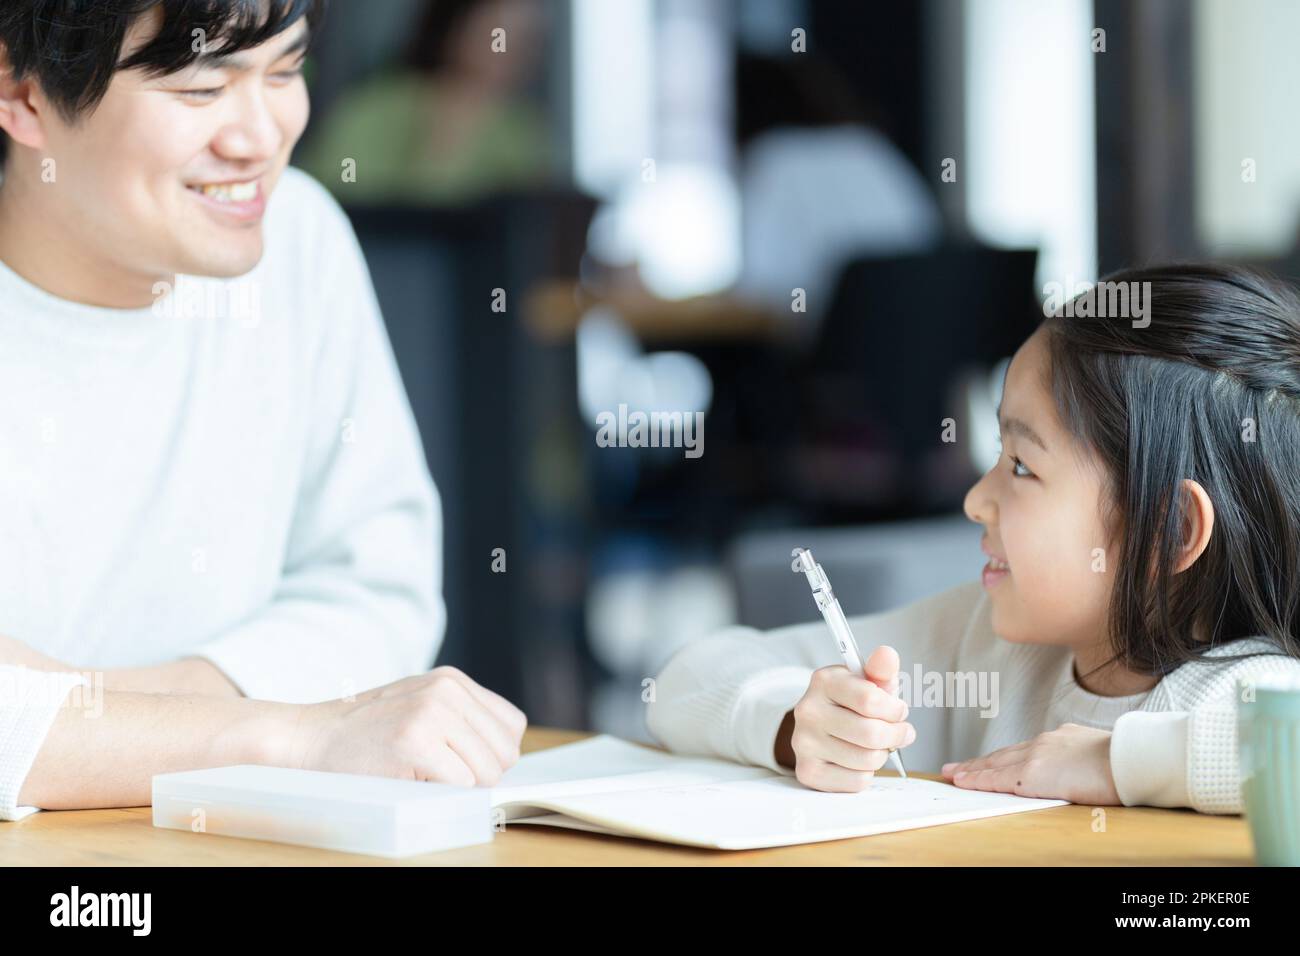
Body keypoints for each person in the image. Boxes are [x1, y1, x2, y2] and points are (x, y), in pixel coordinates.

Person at [0, 0, 525, 819]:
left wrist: (93, 716)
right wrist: (290, 736)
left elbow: (380, 594)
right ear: (24, 96)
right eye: (201, 87)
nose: (260, 136)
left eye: (284, 71)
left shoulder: (301, 239)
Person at [647, 264, 1300, 813]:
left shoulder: (1251, 691)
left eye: (1022, 466)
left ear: (1170, 530)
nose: (974, 499)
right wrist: (794, 724)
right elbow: (683, 682)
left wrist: (1113, 761)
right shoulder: (981, 642)